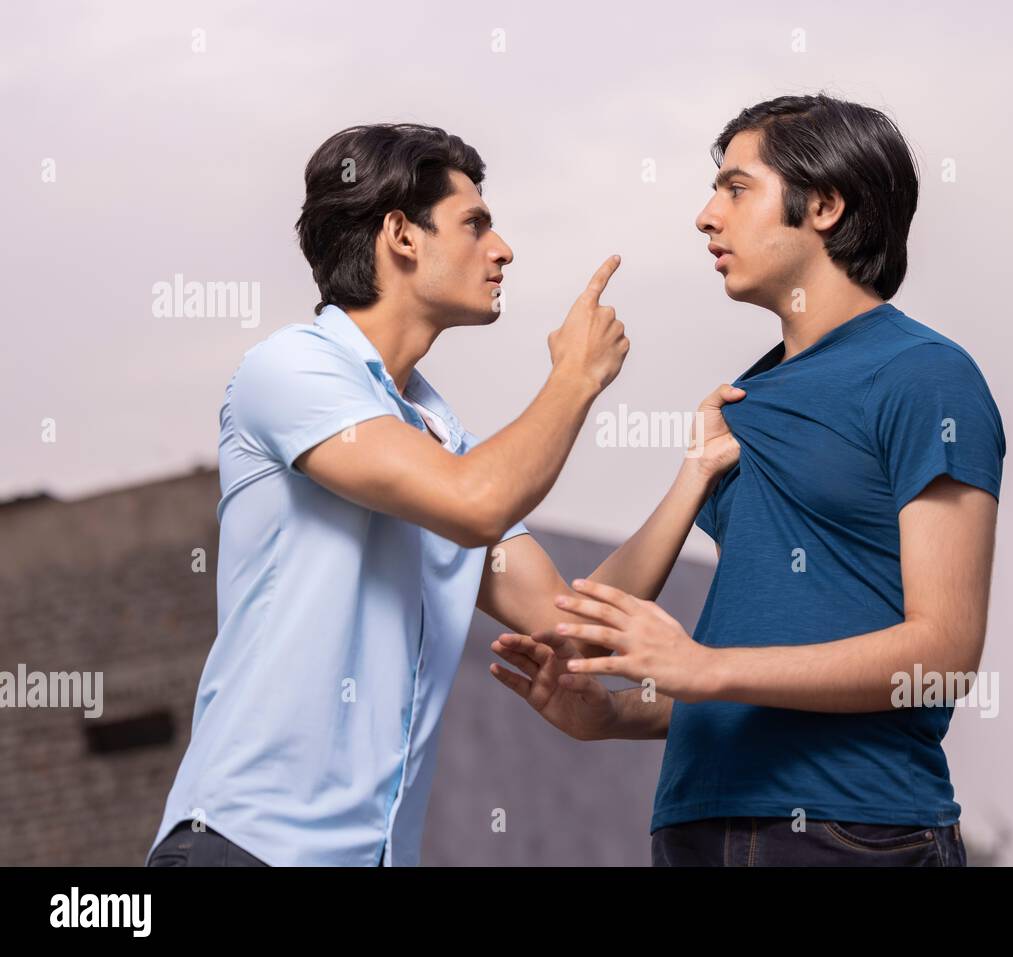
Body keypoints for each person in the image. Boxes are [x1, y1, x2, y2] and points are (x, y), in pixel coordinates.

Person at [146, 122, 744, 866]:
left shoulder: (433, 436)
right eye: (476, 223)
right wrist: (574, 378)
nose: (503, 249)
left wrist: (695, 470)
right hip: (244, 846)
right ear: (400, 234)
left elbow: (572, 626)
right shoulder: (291, 371)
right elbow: (473, 501)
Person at [488, 94, 1007, 866]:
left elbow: (943, 654)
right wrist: (617, 714)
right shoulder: (744, 403)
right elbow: (761, 657)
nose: (706, 215)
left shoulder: (925, 376)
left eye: (735, 188)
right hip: (696, 826)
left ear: (824, 204)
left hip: (853, 831)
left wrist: (701, 665)